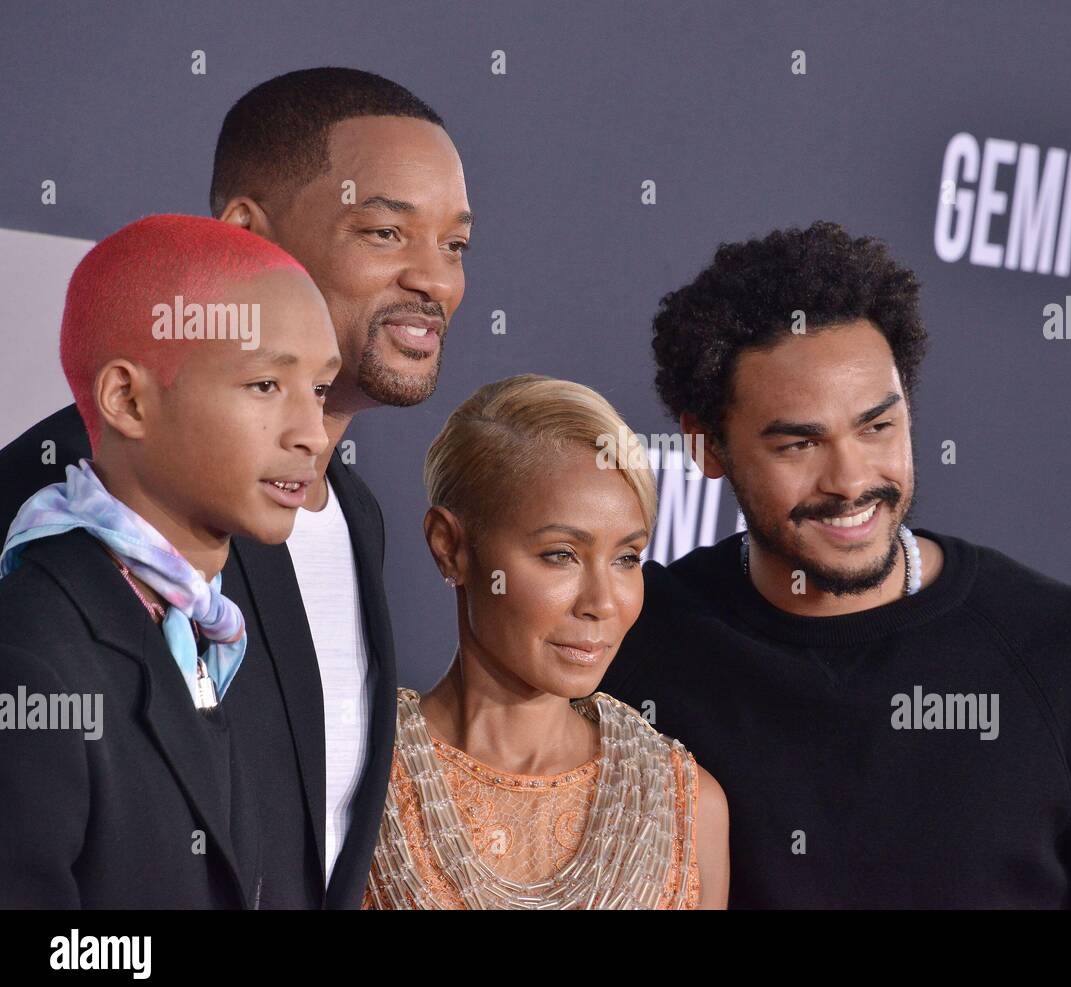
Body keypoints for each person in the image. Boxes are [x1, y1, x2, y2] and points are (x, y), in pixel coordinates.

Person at [598, 221, 1071, 909]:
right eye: (800, 444)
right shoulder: (630, 644)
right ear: (707, 446)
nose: (851, 480)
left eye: (877, 426)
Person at [0, 67, 472, 908]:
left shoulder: (358, 516)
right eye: (386, 233)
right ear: (250, 233)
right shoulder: (76, 492)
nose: (435, 281)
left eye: (456, 245)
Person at [0, 214, 340, 907]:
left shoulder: (208, 633)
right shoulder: (28, 655)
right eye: (266, 385)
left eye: (321, 390)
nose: (311, 433)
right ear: (128, 399)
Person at [363, 375, 729, 909]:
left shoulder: (686, 805)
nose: (602, 602)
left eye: (627, 558)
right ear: (451, 548)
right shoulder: (358, 777)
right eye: (561, 554)